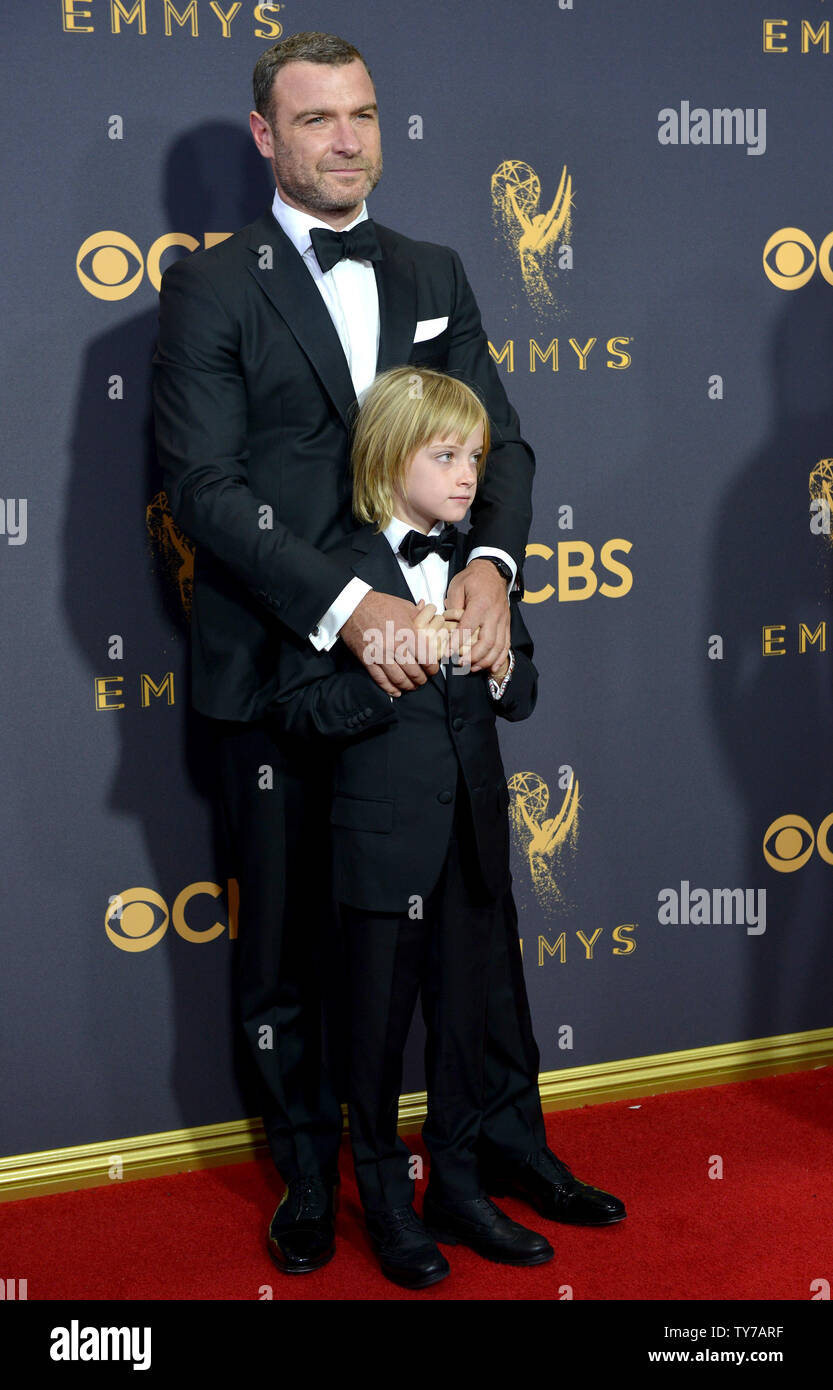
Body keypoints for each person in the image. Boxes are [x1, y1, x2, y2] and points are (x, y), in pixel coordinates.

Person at [152, 31, 624, 1276]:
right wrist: (348, 610)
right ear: (266, 135)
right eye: (317, 120)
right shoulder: (214, 284)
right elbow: (202, 486)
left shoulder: (433, 265)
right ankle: (312, 1175)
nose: (347, 139)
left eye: (362, 114)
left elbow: (500, 446)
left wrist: (488, 566)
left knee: (472, 919)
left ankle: (495, 1140)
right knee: (295, 945)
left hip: (436, 659)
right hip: (286, 661)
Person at [268, 364, 560, 1287]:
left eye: (475, 455)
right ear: (390, 457)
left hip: (472, 848)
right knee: (374, 1039)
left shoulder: (479, 567)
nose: (469, 475)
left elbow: (524, 689)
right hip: (377, 851)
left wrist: (498, 664)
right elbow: (300, 710)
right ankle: (387, 1204)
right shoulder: (337, 573)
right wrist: (386, 663)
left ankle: (460, 1189)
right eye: (446, 455)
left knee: (465, 1031)